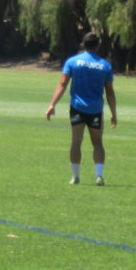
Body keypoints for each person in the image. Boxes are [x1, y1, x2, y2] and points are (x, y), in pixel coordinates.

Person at [46, 31, 117, 186]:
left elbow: (62, 84)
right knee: (97, 143)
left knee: (76, 142)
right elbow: (110, 92)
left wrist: (52, 104)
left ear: (84, 44)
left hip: (77, 108)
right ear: (98, 45)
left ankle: (76, 177)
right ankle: (99, 176)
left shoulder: (72, 62)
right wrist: (113, 113)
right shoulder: (105, 65)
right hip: (95, 109)